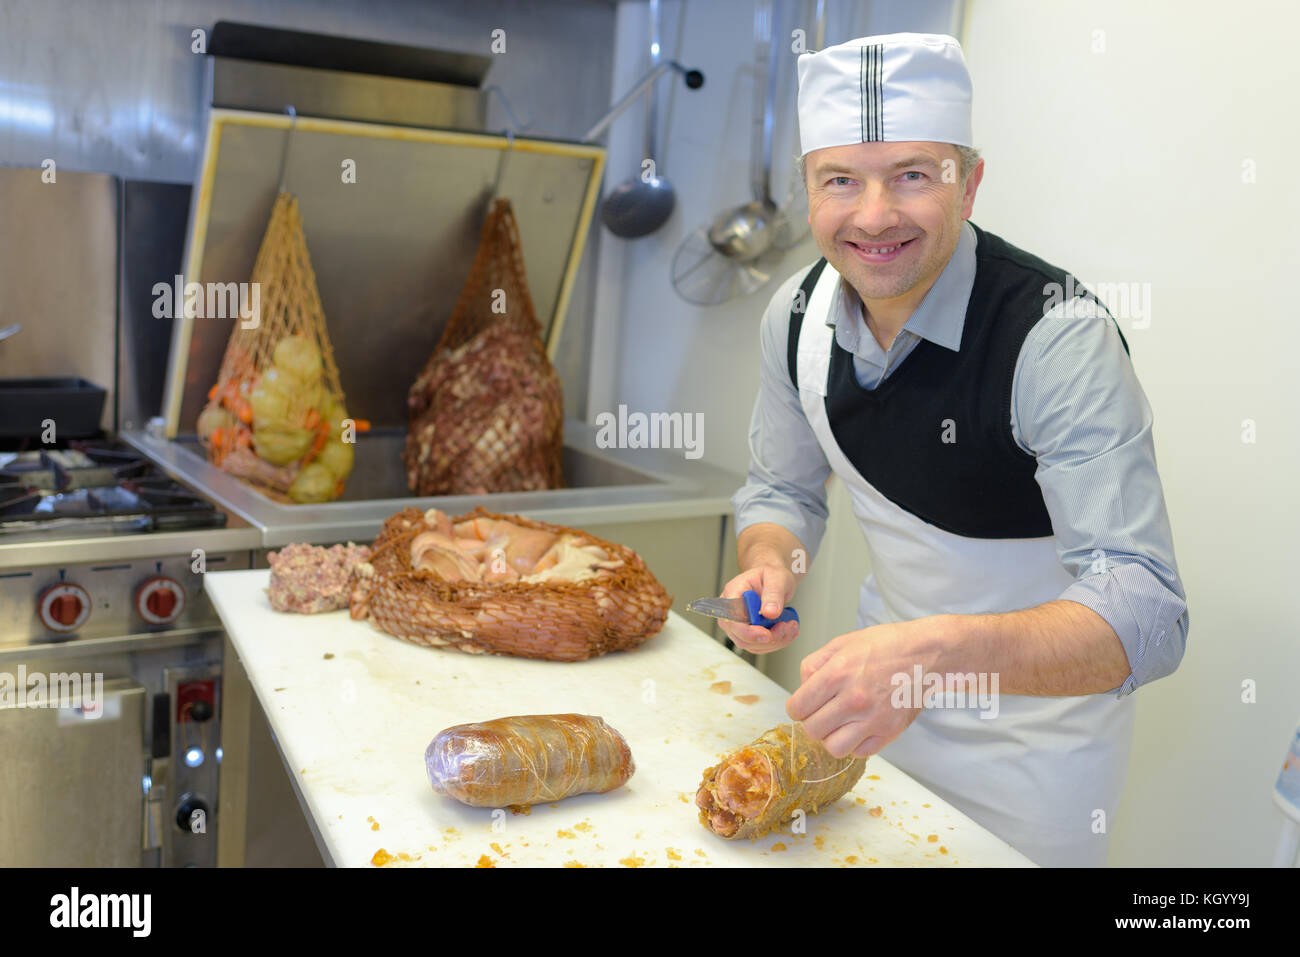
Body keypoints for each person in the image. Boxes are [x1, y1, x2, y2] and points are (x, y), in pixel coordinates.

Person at [723, 32, 1189, 867]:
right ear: (808, 190)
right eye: (840, 180)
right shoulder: (794, 318)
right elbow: (782, 493)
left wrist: (929, 659)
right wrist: (771, 562)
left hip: (1034, 763)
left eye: (912, 175)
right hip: (863, 731)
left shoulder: (1055, 337)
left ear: (969, 183)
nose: (873, 215)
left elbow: (1149, 612)